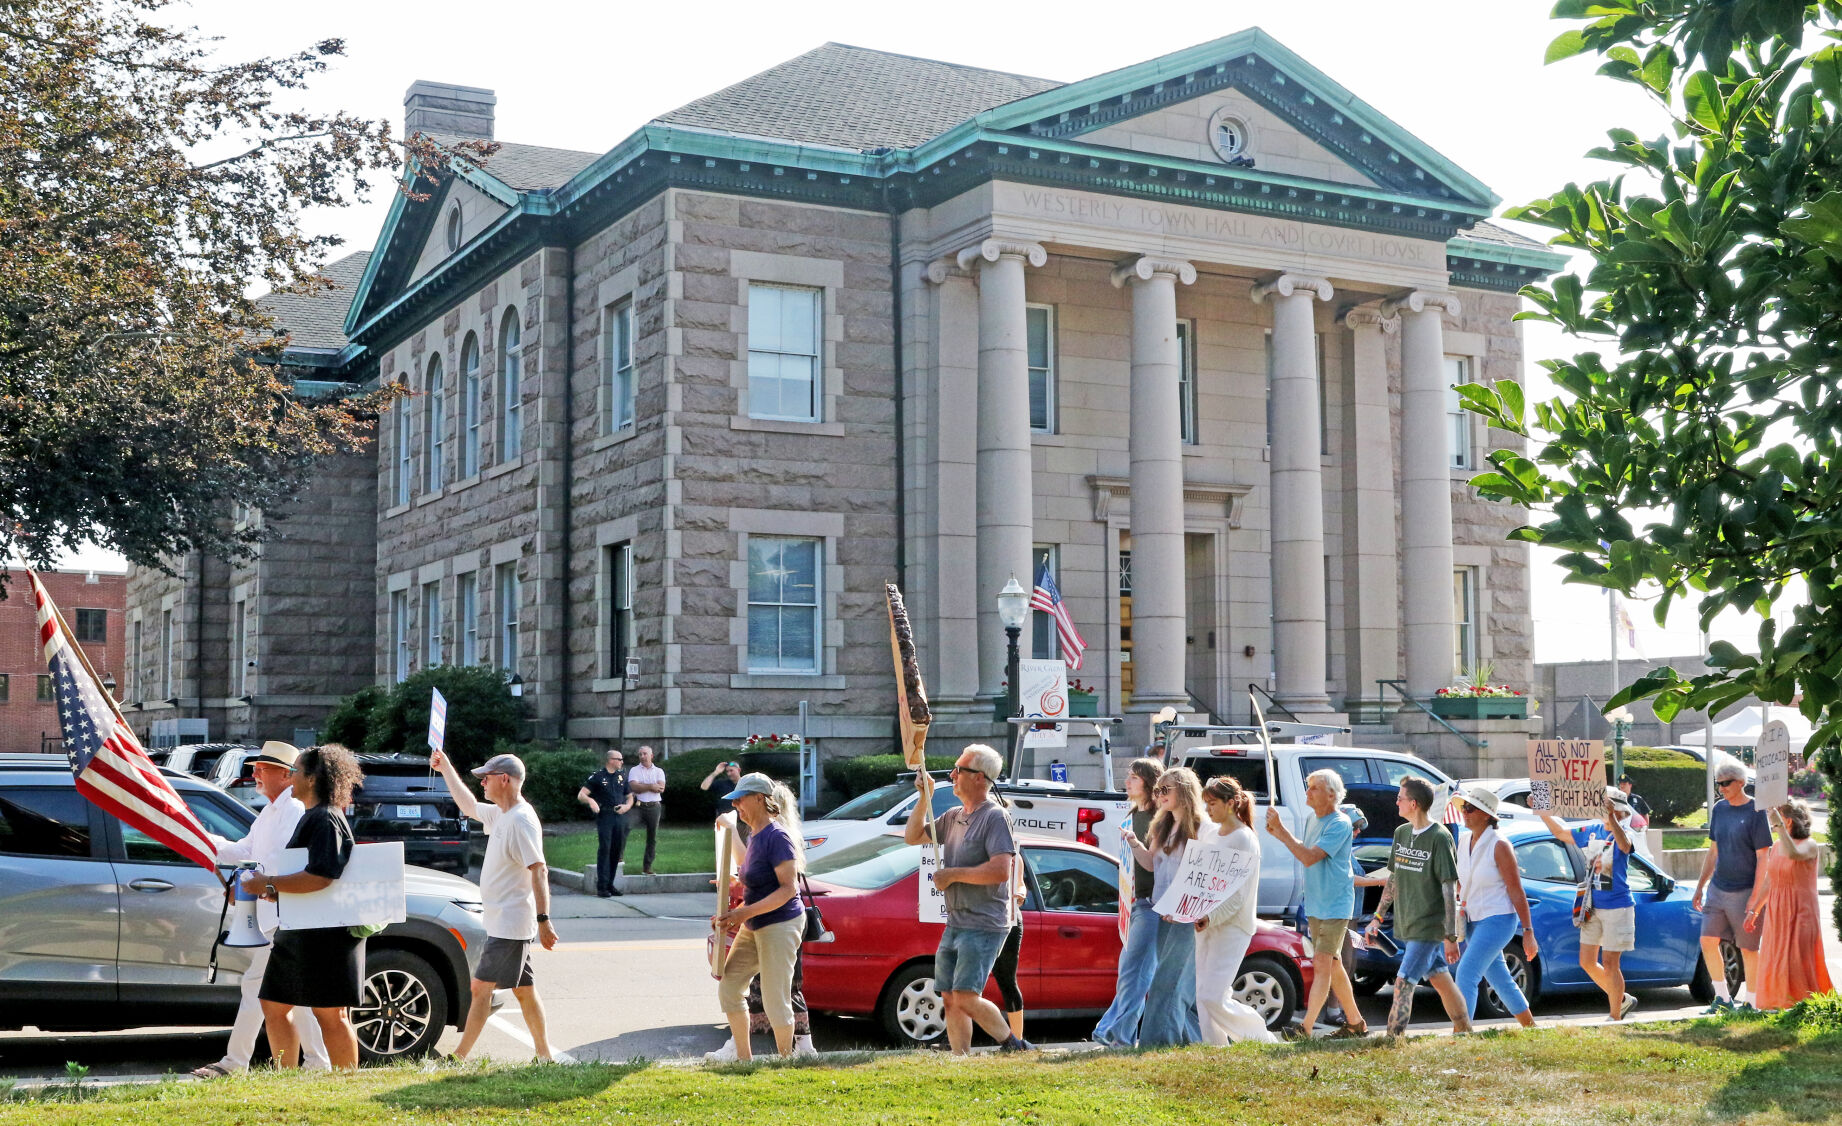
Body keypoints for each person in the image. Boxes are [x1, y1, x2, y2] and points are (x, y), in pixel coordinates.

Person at [193, 742, 329, 1077]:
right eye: (255, 767)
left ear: (286, 774)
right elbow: (243, 849)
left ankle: (238, 1062)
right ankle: (313, 1063)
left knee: (268, 991)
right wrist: (199, 838)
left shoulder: (293, 810)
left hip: (286, 918)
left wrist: (253, 884)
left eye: (262, 768)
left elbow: (280, 865)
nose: (254, 773)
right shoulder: (271, 812)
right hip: (277, 918)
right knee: (284, 994)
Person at [903, 744, 1034, 1054]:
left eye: (958, 770)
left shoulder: (995, 817)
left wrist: (953, 875)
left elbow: (1001, 870)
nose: (952, 775)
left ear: (979, 778)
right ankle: (961, 1060)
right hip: (957, 920)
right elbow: (913, 836)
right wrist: (925, 798)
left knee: (964, 996)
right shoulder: (953, 816)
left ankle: (1013, 1045)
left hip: (985, 922)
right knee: (948, 996)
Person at [241, 744, 366, 1069]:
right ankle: (288, 1077)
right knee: (273, 1003)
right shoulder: (313, 816)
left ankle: (346, 1088)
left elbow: (323, 876)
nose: (291, 777)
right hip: (301, 928)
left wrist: (269, 884)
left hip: (327, 935)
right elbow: (309, 876)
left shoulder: (325, 818)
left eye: (296, 771)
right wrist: (276, 892)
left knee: (331, 1015)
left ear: (312, 778)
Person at [431, 750, 560, 1061]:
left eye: (486, 778)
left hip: (511, 923)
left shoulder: (521, 820)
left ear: (505, 779)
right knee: (524, 991)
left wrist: (544, 920)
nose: (482, 784)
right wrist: (447, 766)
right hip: (502, 920)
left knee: (480, 988)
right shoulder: (502, 813)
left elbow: (539, 869)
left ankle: (458, 1058)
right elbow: (469, 805)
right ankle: (545, 1056)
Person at [707, 780, 818, 1061]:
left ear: (759, 798)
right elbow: (757, 888)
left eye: (739, 799)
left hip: (781, 924)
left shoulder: (777, 837)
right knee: (730, 988)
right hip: (754, 923)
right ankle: (744, 1061)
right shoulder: (756, 836)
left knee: (774, 999)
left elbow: (788, 889)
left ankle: (785, 1063)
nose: (735, 805)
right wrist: (729, 917)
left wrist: (741, 914)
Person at [1364, 777, 1471, 1036]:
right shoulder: (1401, 833)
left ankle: (1392, 1041)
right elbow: (1394, 879)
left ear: (1413, 803)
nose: (1396, 801)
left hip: (1429, 925)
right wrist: (1377, 916)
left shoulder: (1440, 837)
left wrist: (1450, 936)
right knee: (1440, 978)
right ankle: (1465, 1030)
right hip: (1408, 923)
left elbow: (1448, 890)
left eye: (1400, 797)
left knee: (1403, 981)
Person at [1267, 769, 1368, 1038]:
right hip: (1317, 903)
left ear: (1331, 794)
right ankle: (1356, 1023)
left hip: (1335, 904)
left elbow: (1311, 857)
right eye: (1308, 786)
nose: (1307, 792)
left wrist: (1283, 832)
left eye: (1313, 788)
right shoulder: (1314, 818)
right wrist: (1279, 833)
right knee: (1332, 964)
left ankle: (1306, 1027)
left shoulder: (1340, 823)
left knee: (1323, 962)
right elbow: (1305, 849)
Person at [1539, 787, 1638, 1021]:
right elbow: (1562, 832)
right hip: (1592, 905)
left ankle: (1614, 1017)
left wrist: (1612, 816)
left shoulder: (1623, 831)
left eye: (1612, 808)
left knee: (1611, 963)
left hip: (1618, 906)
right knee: (1586, 961)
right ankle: (1621, 999)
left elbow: (1625, 847)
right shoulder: (1590, 830)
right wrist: (1542, 810)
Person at [1123, 766, 1205, 1047]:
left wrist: (1189, 908)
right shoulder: (1162, 824)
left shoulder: (1200, 826)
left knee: (1170, 980)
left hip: (1185, 914)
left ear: (1183, 790)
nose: (1159, 795)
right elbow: (1150, 864)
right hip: (1161, 909)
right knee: (1170, 980)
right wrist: (1134, 844)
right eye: (1157, 790)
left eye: (1164, 789)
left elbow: (1201, 876)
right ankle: (1192, 1041)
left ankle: (1160, 1043)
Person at [1194, 775, 1277, 1045]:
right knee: (1203, 994)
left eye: (1213, 803)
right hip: (1206, 922)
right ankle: (1214, 1049)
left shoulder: (1244, 839)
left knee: (1212, 995)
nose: (1209, 809)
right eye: (1206, 803)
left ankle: (1260, 1039)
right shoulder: (1210, 831)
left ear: (1231, 803)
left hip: (1233, 926)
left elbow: (1238, 896)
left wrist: (1210, 916)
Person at [1450, 785, 1538, 1029]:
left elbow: (1516, 891)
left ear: (1487, 814)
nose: (1464, 812)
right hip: (1472, 920)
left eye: (1470, 808)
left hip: (1498, 920)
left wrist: (1528, 932)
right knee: (1499, 978)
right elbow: (1461, 883)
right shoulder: (1464, 839)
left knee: (1466, 974)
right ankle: (1530, 1028)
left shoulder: (1500, 845)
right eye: (1464, 807)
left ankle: (1462, 1036)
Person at [1092, 758, 1163, 1047]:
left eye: (1134, 777)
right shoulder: (1132, 814)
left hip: (1152, 905)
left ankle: (1116, 1034)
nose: (1128, 781)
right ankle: (1114, 1031)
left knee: (1135, 973)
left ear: (1148, 782)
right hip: (1135, 903)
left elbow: (1152, 864)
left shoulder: (1159, 819)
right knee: (1134, 973)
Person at [1694, 761, 1772, 1012]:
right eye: (1718, 783)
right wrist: (1700, 887)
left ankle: (1752, 1003)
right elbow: (1713, 850)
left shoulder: (1756, 811)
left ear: (1741, 782)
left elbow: (1764, 858)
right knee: (1707, 940)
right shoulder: (1719, 809)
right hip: (1718, 888)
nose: (1721, 788)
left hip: (1745, 890)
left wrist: (1755, 898)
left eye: (1726, 783)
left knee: (1748, 948)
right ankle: (1722, 999)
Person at [1746, 799, 1834, 1010]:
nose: (1775, 825)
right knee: (1776, 960)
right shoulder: (1776, 846)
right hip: (1778, 911)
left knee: (1796, 961)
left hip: (1801, 911)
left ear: (1790, 821)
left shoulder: (1810, 845)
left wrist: (1778, 827)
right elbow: (1770, 880)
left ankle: (1803, 1006)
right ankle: (1778, 1005)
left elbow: (1795, 854)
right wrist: (1755, 909)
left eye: (1781, 820)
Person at [577, 749, 634, 897]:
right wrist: (591, 801)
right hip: (606, 816)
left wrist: (627, 806)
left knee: (616, 850)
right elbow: (581, 794)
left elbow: (629, 796)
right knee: (605, 849)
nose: (622, 762)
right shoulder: (598, 776)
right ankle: (601, 887)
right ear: (611, 760)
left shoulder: (621, 776)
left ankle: (610, 884)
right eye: (619, 759)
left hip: (620, 816)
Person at [990, 852, 1028, 1041]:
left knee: (1006, 980)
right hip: (977, 918)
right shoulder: (970, 846)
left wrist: (1020, 893)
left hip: (1008, 918)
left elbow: (1020, 883)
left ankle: (1018, 1041)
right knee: (966, 983)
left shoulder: (1013, 854)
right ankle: (955, 1038)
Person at [627, 745, 667, 876]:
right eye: (640, 754)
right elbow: (634, 787)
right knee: (624, 828)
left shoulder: (659, 771)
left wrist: (642, 786)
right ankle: (618, 858)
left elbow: (661, 788)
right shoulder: (634, 770)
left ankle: (647, 867)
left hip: (654, 806)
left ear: (651, 756)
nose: (642, 756)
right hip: (638, 806)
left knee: (652, 837)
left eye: (645, 754)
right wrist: (650, 786)